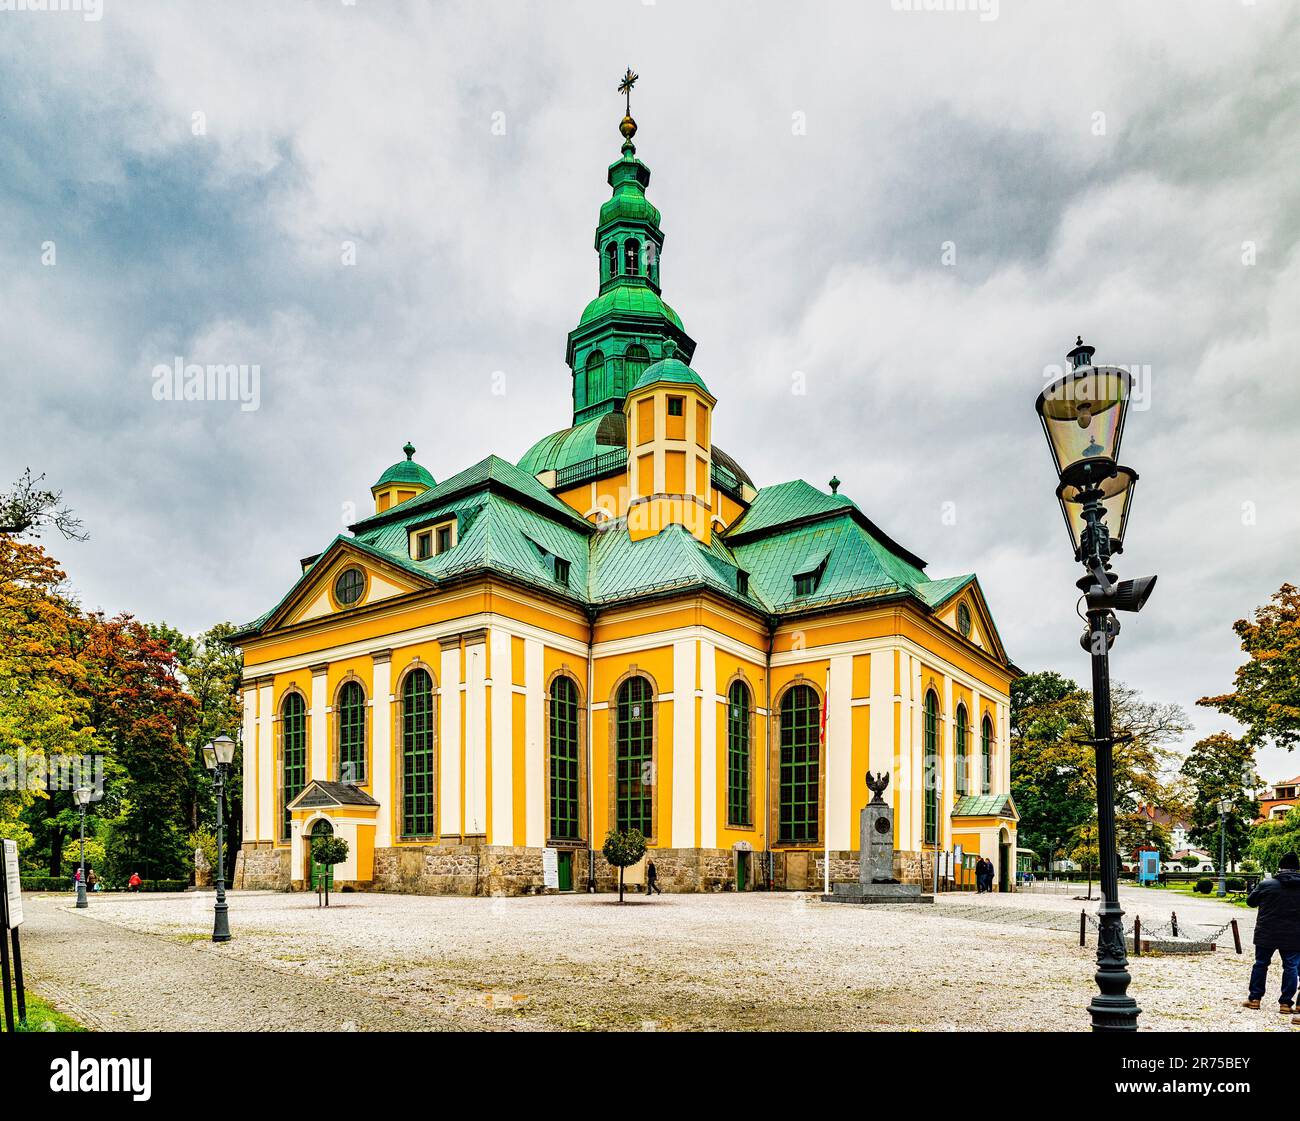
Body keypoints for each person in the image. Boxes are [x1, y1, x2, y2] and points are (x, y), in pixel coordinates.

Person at [1244, 852, 1300, 1014]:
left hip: (1266, 931)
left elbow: (1250, 902)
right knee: (1291, 967)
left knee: (1261, 964)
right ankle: (1285, 1003)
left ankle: (1255, 999)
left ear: (1280, 867)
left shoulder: (1267, 884)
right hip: (1294, 934)